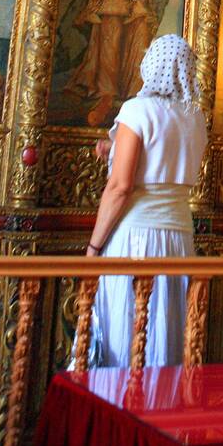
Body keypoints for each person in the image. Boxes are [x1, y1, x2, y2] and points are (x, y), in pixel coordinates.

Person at [84, 34, 208, 367]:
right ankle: (162, 409)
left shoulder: (136, 110)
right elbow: (162, 160)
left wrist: (93, 249)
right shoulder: (194, 118)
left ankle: (125, 408)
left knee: (127, 334)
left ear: (150, 65)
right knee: (167, 334)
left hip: (136, 239)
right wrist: (116, 148)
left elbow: (120, 188)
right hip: (180, 240)